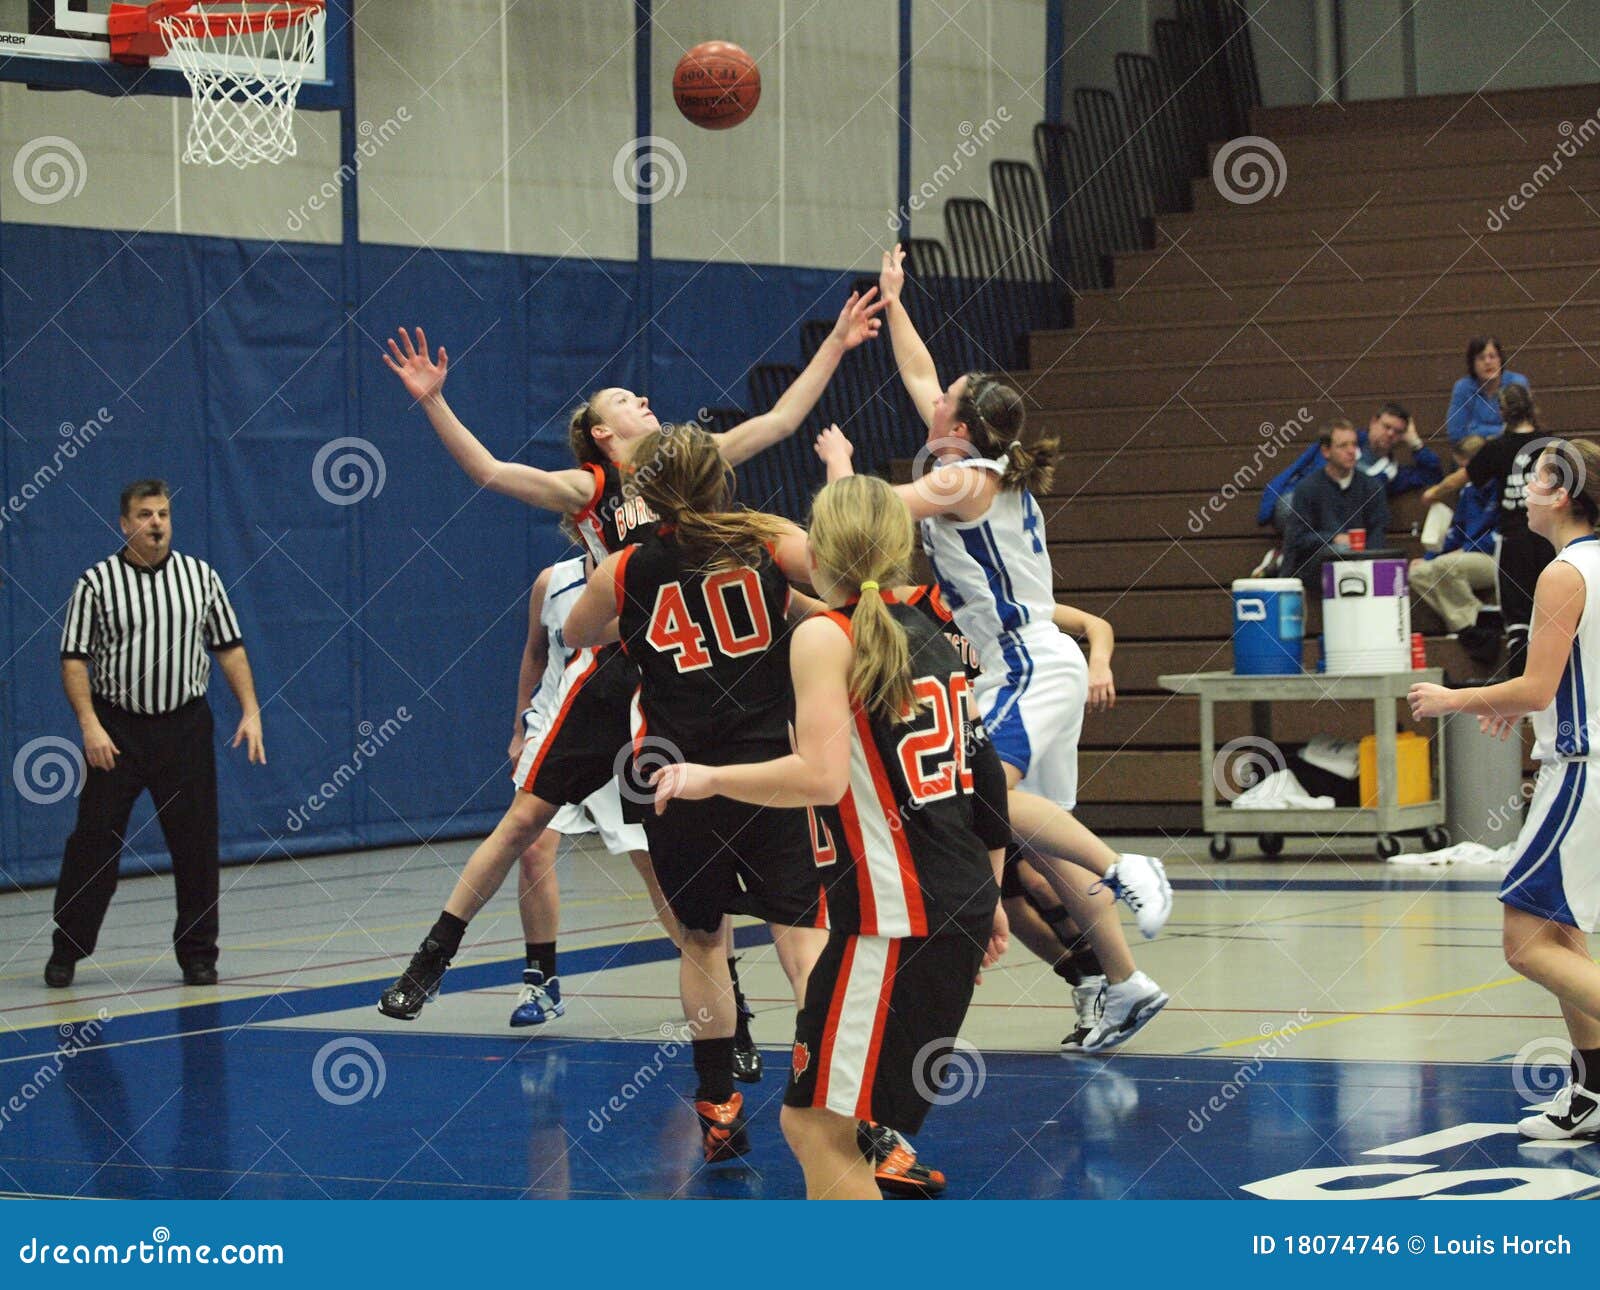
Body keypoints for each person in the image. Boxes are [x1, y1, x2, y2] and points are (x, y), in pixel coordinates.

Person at [373, 288, 882, 1021]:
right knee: (524, 821)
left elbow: (779, 421)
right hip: (621, 671)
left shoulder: (690, 465)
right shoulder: (592, 486)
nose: (643, 399)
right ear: (601, 435)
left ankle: (727, 1013)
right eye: (624, 399)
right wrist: (433, 402)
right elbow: (489, 472)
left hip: (688, 679)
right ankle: (431, 959)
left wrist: (835, 342)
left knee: (666, 851)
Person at [817, 244, 1173, 1051]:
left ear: (963, 423)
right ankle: (1126, 985)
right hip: (1037, 661)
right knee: (1041, 840)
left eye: (947, 399)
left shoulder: (958, 481)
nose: (933, 397)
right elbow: (918, 373)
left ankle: (1127, 870)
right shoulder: (973, 463)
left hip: (1021, 663)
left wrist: (841, 469)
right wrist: (899, 301)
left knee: (979, 800)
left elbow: (874, 514)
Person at [650, 474, 1013, 1199]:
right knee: (838, 1125)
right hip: (951, 901)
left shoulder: (827, 633)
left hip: (893, 917)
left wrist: (709, 778)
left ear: (820, 550)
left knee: (816, 1127)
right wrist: (990, 897)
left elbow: (818, 776)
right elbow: (988, 783)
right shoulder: (933, 628)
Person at [562, 425, 825, 1163]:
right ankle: (834, 1101)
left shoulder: (625, 568)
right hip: (770, 769)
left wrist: (650, 614)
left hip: (676, 777)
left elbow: (581, 633)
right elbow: (840, 587)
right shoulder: (769, 541)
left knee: (704, 939)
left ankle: (717, 1103)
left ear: (647, 494)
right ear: (723, 480)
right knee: (803, 939)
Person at [1407, 438, 1600, 1139]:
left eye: (1540, 477)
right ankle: (1592, 1093)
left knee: (1524, 944)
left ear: (1568, 495)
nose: (1525, 489)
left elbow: (1543, 683)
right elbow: (1569, 680)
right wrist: (1513, 705)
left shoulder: (1563, 573)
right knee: (1562, 935)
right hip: (1585, 766)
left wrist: (1461, 698)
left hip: (1580, 775)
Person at [894, 581, 1131, 1050]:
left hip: (1010, 739)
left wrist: (1099, 663)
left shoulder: (1001, 602)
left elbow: (1094, 624)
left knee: (1041, 872)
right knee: (1006, 896)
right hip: (960, 747)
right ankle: (1087, 978)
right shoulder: (911, 605)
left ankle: (1116, 970)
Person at [50, 479, 266, 988]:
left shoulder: (200, 577)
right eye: (145, 515)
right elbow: (74, 661)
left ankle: (197, 955)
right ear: (124, 525)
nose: (156, 524)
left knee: (195, 846)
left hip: (185, 728)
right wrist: (89, 726)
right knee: (93, 843)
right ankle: (67, 949)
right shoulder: (96, 582)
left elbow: (229, 647)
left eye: (163, 514)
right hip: (117, 730)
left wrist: (251, 709)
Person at [1425, 383, 1552, 676]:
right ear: (1532, 405)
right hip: (1549, 540)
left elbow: (1461, 477)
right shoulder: (1552, 443)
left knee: (1519, 622)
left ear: (1502, 411)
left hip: (1514, 541)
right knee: (1554, 616)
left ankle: (1522, 693)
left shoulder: (1497, 448)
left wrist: (1433, 493)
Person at [1258, 401, 1439, 538]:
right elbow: (1310, 476)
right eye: (1386, 427)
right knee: (1297, 507)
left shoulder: (1391, 473)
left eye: (1398, 432)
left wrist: (1415, 443)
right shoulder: (1341, 442)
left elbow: (1432, 474)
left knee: (1343, 541)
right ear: (1373, 422)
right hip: (1305, 505)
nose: (1390, 434)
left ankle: (1282, 559)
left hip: (1339, 526)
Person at [1408, 435, 1500, 664]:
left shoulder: (1501, 487)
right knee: (1418, 573)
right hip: (1466, 557)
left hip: (1495, 558)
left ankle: (1476, 624)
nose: (1461, 475)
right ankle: (1470, 624)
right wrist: (1429, 557)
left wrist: (1464, 551)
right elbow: (1455, 533)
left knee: (1445, 566)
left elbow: (1498, 536)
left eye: (1464, 468)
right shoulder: (1468, 492)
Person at [1281, 420, 1388, 585]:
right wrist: (1333, 538)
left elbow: (1377, 536)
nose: (1351, 451)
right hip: (1317, 566)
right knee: (1340, 551)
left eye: (1354, 444)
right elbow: (1298, 539)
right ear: (1326, 451)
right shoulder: (1308, 488)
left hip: (1361, 565)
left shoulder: (1372, 487)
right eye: (1343, 446)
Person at [1446, 335, 1529, 444]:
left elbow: (1521, 430)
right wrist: (1502, 430)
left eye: (1492, 356)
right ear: (1472, 364)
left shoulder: (1516, 383)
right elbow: (1455, 433)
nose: (1487, 362)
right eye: (1481, 358)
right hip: (1474, 454)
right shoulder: (1463, 387)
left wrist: (1475, 429)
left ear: (1500, 360)